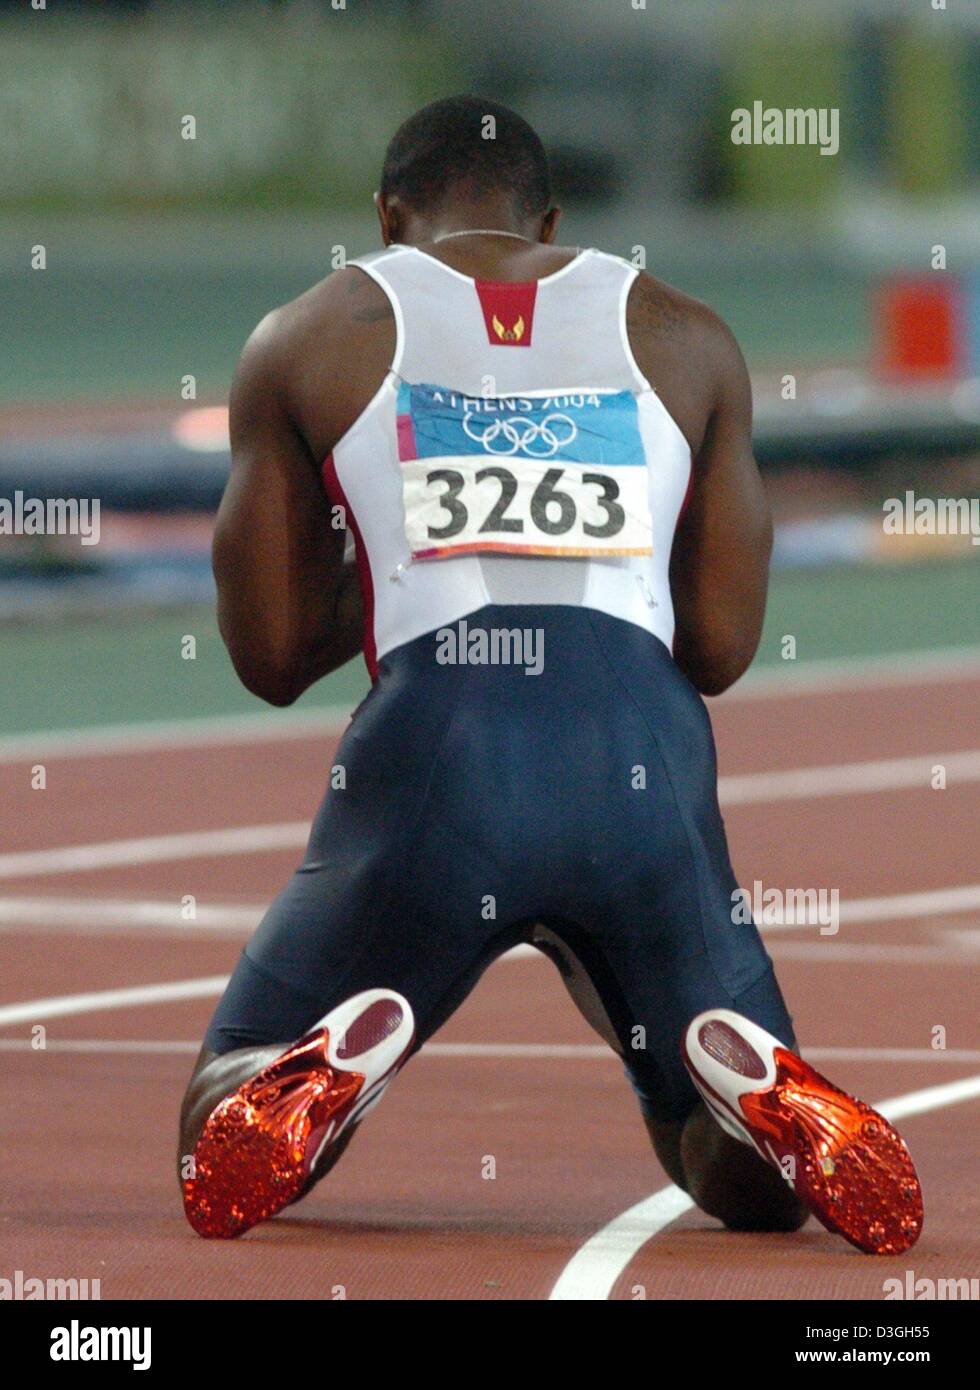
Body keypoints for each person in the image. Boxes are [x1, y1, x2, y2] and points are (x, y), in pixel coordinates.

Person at [178, 96, 922, 1255]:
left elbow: (268, 657)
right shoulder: (686, 334)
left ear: (385, 218)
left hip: (436, 757)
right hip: (640, 759)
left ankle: (323, 1060)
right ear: (551, 219)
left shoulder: (306, 338)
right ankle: (751, 1083)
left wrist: (412, 548)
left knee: (213, 1123)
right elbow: (721, 646)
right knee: (755, 1193)